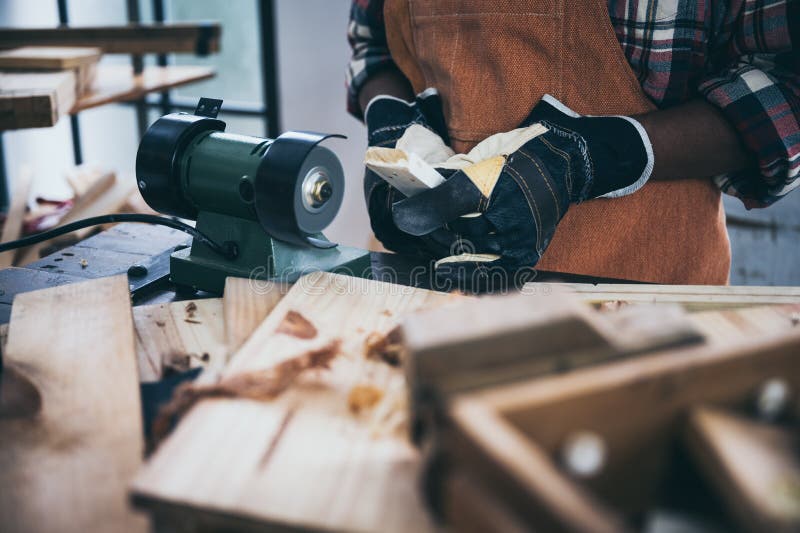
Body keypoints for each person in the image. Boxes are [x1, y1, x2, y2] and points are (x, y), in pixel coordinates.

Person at [346, 0, 799, 286]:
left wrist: (586, 159)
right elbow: (373, 47)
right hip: (426, 284)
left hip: (639, 306)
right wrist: (390, 125)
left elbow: (785, 85)